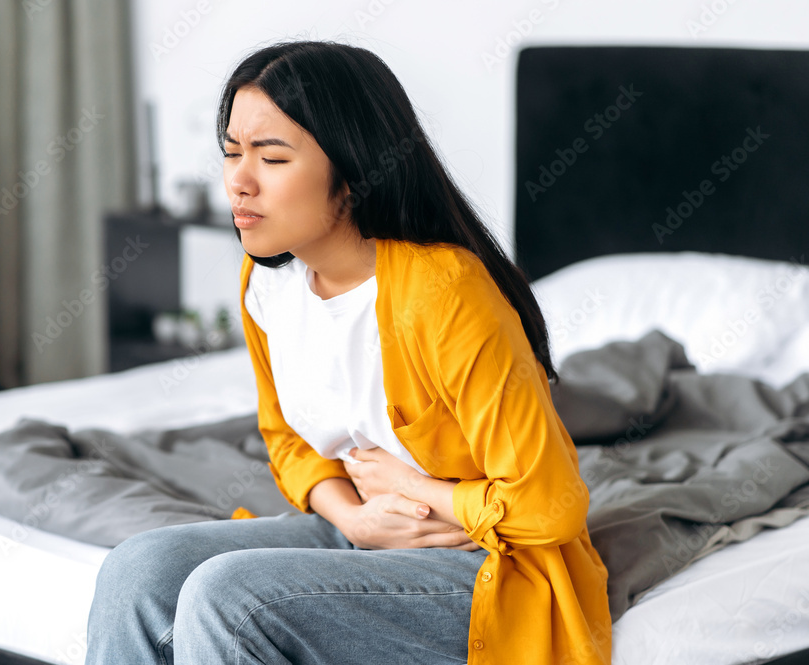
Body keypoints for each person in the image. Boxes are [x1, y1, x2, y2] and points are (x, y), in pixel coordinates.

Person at [85, 40, 611, 665]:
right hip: (365, 534)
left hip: (490, 563)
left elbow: (550, 506)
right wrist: (355, 518)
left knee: (229, 598)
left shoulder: (443, 291)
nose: (238, 181)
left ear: (352, 175)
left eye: (272, 158)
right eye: (231, 153)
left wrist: (423, 490)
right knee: (138, 569)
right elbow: (287, 441)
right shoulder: (267, 285)